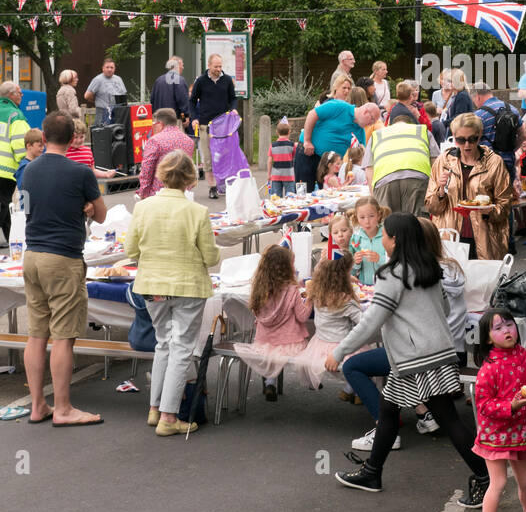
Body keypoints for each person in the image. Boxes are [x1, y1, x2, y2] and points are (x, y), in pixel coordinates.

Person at [328, 214, 490, 506]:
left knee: (448, 419)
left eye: (386, 235)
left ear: (395, 240)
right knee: (389, 411)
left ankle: (484, 478)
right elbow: (439, 308)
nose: (384, 239)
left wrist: (339, 352)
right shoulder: (427, 268)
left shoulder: (392, 275)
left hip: (417, 359)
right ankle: (372, 473)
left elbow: (370, 324)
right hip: (431, 354)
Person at [17, 112, 106, 427]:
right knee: (64, 336)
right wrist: (85, 207)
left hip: (32, 255)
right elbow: (102, 215)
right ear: (72, 139)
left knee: (36, 334)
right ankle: (64, 408)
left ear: (42, 137)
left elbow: (30, 208)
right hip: (62, 257)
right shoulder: (80, 172)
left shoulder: (28, 171)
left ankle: (38, 404)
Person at [124, 150, 220, 436]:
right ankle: (168, 416)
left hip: (152, 286)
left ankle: (155, 409)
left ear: (161, 176)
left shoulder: (143, 207)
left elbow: (130, 251)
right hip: (187, 286)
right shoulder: (197, 212)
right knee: (181, 348)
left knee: (163, 343)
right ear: (190, 180)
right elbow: (211, 256)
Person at [472, 305, 526, 512]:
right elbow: (483, 405)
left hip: (522, 432)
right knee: (499, 482)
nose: (507, 330)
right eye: (498, 327)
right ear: (487, 337)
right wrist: (511, 405)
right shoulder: (489, 367)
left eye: (509, 324)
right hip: (495, 437)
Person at [425, 112, 513, 260]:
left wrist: (488, 211)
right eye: (461, 140)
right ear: (453, 136)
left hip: (485, 238)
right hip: (450, 237)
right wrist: (440, 192)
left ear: (479, 135)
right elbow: (432, 208)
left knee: (482, 282)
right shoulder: (443, 161)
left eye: (472, 139)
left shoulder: (494, 163)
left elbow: (505, 205)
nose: (467, 145)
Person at [235, 245, 312, 401]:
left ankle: (270, 381)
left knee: (272, 354)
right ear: (286, 268)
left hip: (264, 342)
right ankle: (311, 380)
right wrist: (310, 298)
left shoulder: (259, 289)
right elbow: (303, 317)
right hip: (290, 344)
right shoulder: (292, 290)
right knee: (311, 344)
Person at [292, 254, 365, 390]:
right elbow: (364, 324)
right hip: (340, 345)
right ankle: (355, 388)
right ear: (344, 275)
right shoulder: (345, 300)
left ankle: (350, 388)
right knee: (367, 362)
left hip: (319, 343)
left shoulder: (316, 293)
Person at [298, 92, 377, 192]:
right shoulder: (339, 106)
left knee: (330, 192)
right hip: (309, 152)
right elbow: (312, 114)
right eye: (372, 120)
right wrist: (307, 140)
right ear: (365, 112)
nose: (371, 124)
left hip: (330, 163)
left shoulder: (360, 131)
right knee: (304, 190)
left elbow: (363, 155)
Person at [364, 109, 437, 217]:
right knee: (417, 224)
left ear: (390, 124)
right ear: (412, 124)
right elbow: (435, 163)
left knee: (389, 226)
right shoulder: (422, 131)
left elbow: (369, 170)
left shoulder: (377, 135)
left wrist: (374, 196)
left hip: (384, 182)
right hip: (417, 180)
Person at [0, 82, 30, 239]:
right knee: (2, 204)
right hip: (5, 169)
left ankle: (13, 238)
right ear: (11, 95)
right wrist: (24, 163)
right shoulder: (15, 115)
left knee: (1, 203)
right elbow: (20, 145)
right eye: (19, 93)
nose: (22, 96)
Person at [190, 54, 238, 198]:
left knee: (223, 156)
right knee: (208, 157)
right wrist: (194, 118)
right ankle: (212, 187)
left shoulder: (227, 80)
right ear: (209, 66)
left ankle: (224, 184)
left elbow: (233, 98)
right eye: (216, 66)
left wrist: (233, 109)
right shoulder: (201, 81)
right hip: (205, 124)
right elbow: (191, 101)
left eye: (220, 66)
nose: (218, 69)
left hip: (223, 125)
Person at [137, 109, 197, 200]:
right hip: (183, 194)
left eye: (154, 124)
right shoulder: (188, 141)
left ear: (160, 124)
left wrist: (143, 193)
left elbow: (147, 170)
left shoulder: (155, 141)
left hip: (159, 194)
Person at [349, 195, 387, 285]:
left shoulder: (387, 236)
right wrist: (355, 262)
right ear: (357, 218)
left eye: (371, 216)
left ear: (379, 215)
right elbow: (351, 273)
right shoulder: (355, 238)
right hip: (364, 286)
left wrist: (380, 259)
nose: (367, 221)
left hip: (386, 287)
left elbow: (397, 263)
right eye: (362, 217)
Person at [84, 58, 126, 127]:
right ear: (103, 68)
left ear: (114, 68)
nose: (109, 69)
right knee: (102, 136)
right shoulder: (98, 80)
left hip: (117, 112)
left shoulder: (119, 79)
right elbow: (87, 95)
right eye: (107, 67)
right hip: (102, 113)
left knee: (117, 135)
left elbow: (123, 94)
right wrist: (95, 100)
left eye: (112, 67)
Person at [267, 120, 297, 197]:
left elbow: (270, 161)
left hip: (276, 175)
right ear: (289, 132)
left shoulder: (272, 145)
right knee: (290, 197)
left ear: (277, 132)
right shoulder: (292, 145)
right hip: (289, 175)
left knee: (276, 197)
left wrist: (269, 174)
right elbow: (294, 158)